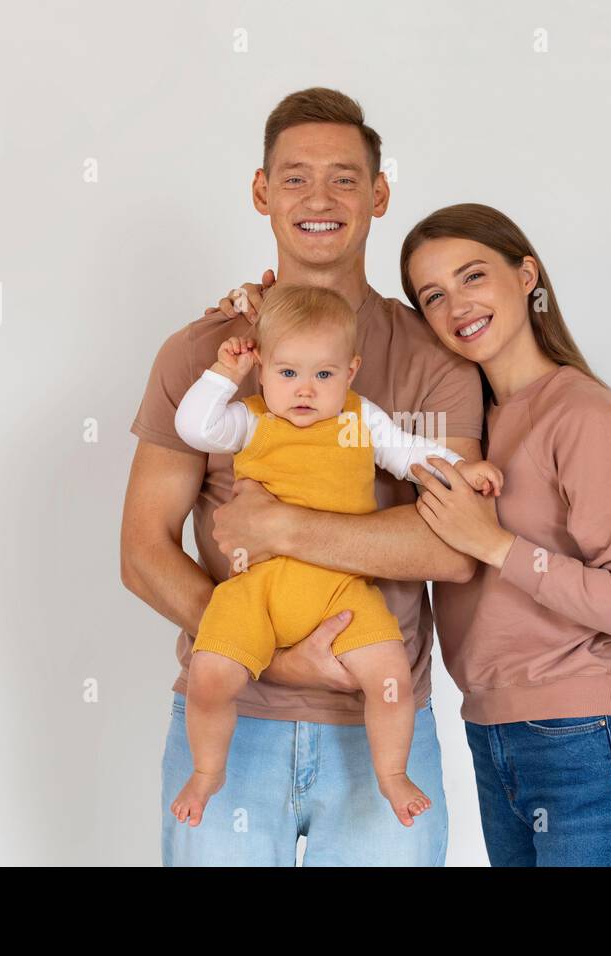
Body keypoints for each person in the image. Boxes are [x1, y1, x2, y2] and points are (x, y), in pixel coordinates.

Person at [120, 88, 483, 866]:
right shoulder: (205, 356)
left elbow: (455, 547)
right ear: (262, 192)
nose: (320, 199)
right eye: (295, 178)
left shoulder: (436, 360)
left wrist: (281, 527)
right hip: (230, 722)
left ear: (378, 195)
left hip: (382, 724)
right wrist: (269, 654)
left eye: (344, 178)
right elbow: (143, 551)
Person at [167, 284, 501, 828]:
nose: (305, 389)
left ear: (351, 371)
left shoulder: (358, 419)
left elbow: (410, 455)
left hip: (342, 589)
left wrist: (462, 471)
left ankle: (392, 774)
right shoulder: (251, 419)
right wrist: (224, 375)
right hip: (258, 589)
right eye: (287, 372)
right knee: (209, 677)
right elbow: (195, 427)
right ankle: (207, 771)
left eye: (323, 374)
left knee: (390, 675)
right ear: (261, 369)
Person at [398, 202, 611, 865]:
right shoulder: (466, 427)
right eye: (433, 296)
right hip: (491, 738)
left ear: (527, 276)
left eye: (472, 275)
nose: (457, 305)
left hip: (587, 746)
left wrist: (495, 544)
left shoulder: (581, 416)